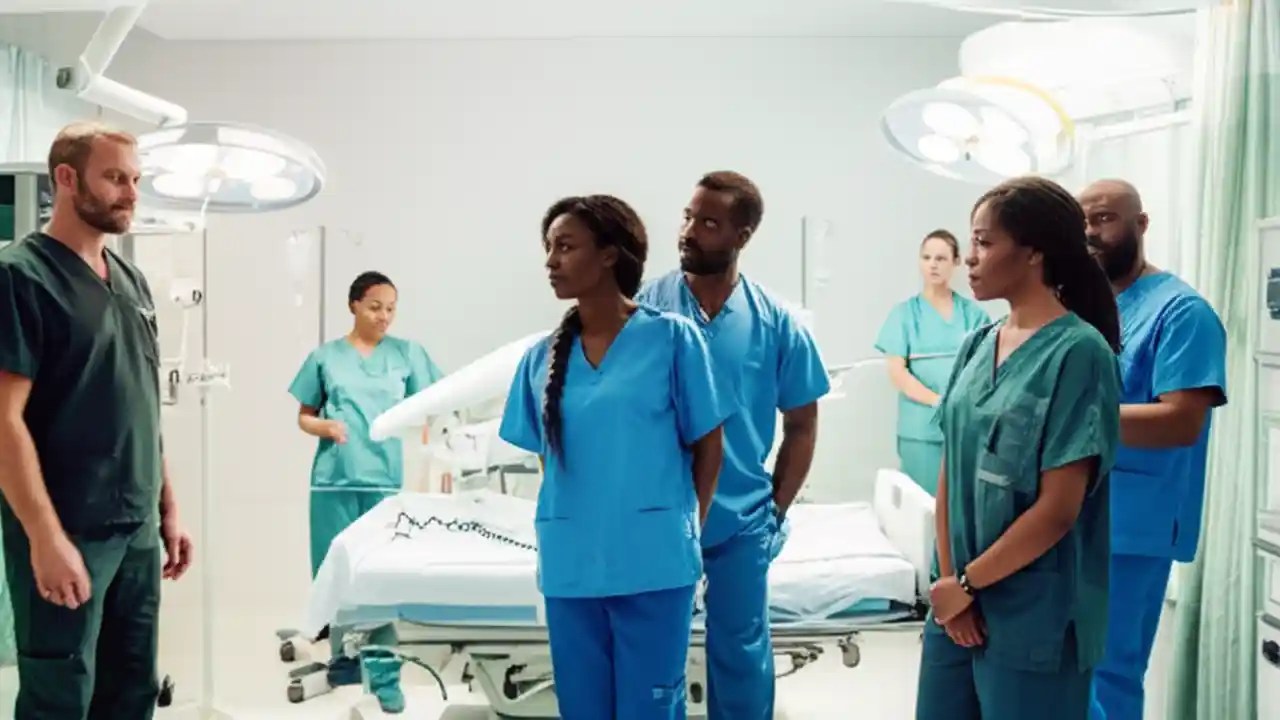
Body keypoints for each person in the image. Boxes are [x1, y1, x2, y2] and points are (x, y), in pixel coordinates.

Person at [498, 194, 728, 719]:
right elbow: (550, 462)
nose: (551, 261)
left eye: (565, 246)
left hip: (655, 564)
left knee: (651, 708)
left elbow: (709, 447)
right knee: (582, 708)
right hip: (571, 565)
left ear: (608, 255)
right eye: (548, 248)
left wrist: (685, 527)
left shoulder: (673, 339)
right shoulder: (539, 359)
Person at [0, 120, 194, 719]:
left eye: (135, 179)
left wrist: (167, 505)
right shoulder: (20, 277)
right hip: (71, 528)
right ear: (66, 178)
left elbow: (139, 401)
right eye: (114, 178)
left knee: (131, 691)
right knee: (61, 696)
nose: (131, 193)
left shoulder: (131, 281)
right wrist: (45, 537)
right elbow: (3, 420)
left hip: (136, 528)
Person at [916, 175, 1122, 720]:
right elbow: (951, 470)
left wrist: (968, 583)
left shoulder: (1080, 353)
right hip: (955, 604)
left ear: (1033, 253)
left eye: (984, 243)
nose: (969, 258)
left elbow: (1058, 510)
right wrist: (950, 586)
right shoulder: (976, 345)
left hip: (1034, 615)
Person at [636, 171, 830, 720]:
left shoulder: (776, 322)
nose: (688, 231)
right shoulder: (646, 309)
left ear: (742, 236)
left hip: (740, 518)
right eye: (688, 217)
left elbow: (803, 423)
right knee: (655, 655)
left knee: (742, 653)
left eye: (708, 222)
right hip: (661, 511)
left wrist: (775, 511)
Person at [1079, 179, 1227, 720]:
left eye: (1104, 219)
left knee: (1110, 672)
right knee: (1073, 673)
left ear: (1141, 224)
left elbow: (1181, 421)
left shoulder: (1182, 312)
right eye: (1082, 222)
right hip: (1075, 514)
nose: (1090, 233)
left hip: (1133, 524)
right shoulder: (1086, 307)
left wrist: (1072, 421)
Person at [287, 270, 444, 707]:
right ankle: (344, 658)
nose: (384, 316)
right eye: (375, 307)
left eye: (391, 308)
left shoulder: (407, 354)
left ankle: (384, 671)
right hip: (333, 481)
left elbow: (433, 401)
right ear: (353, 305)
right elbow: (304, 416)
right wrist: (325, 426)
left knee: (380, 575)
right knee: (336, 571)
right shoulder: (326, 358)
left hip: (384, 482)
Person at [875, 229, 991, 495]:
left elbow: (985, 369)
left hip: (964, 428)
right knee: (923, 506)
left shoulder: (973, 315)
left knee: (960, 503)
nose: (933, 265)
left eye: (941, 258)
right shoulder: (905, 314)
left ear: (956, 262)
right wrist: (938, 402)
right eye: (926, 258)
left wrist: (959, 407)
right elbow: (897, 373)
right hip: (920, 431)